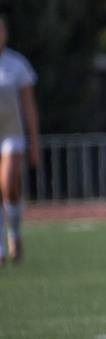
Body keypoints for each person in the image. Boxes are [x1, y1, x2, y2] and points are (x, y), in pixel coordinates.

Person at [0, 16, 40, 266]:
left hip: (12, 134)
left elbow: (29, 107)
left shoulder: (17, 64)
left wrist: (35, 143)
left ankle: (14, 232)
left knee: (8, 184)